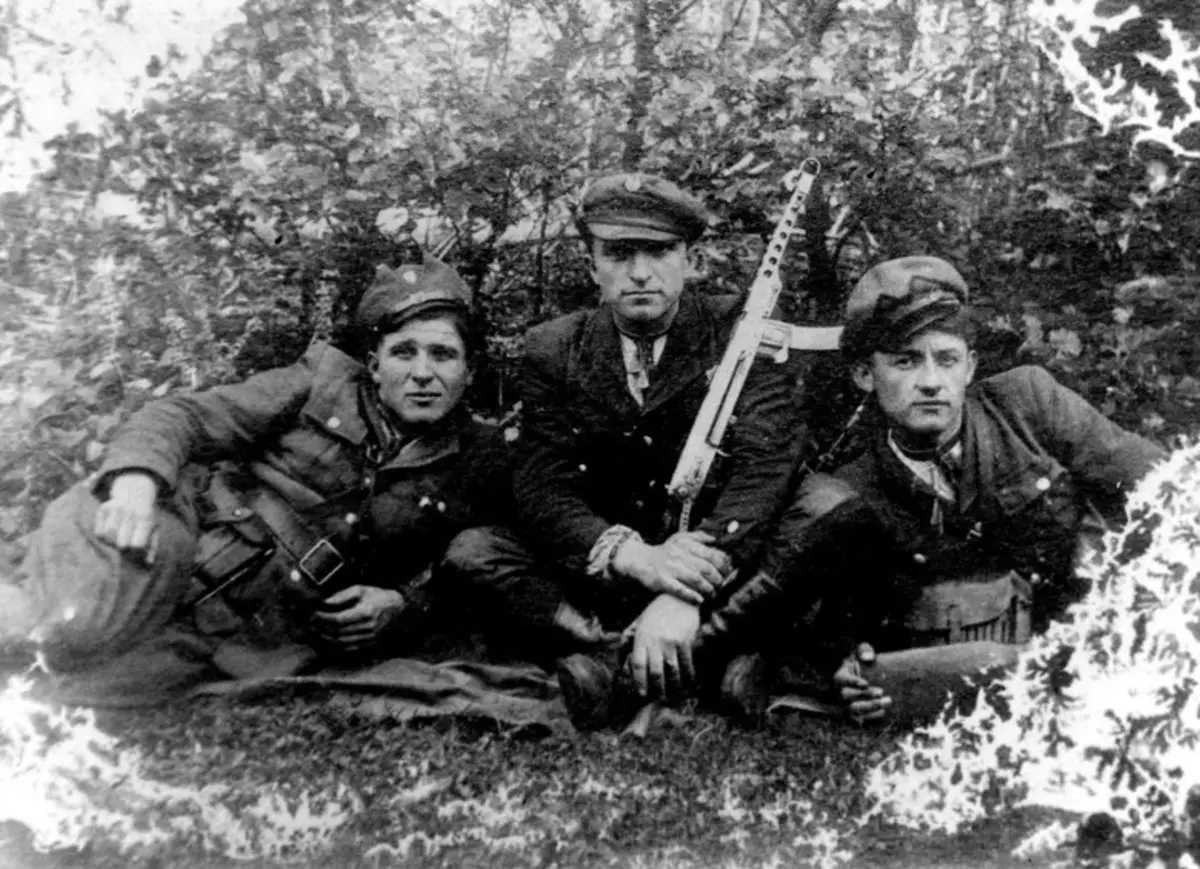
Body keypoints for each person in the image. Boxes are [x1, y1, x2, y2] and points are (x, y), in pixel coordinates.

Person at [661, 254, 1167, 726]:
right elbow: (821, 612)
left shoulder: (1029, 406)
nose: (931, 381)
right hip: (981, 664)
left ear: (969, 367)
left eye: (946, 360)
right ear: (865, 374)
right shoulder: (845, 491)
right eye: (905, 362)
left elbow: (1166, 486)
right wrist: (848, 665)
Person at [2, 257, 510, 705]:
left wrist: (401, 603)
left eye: (443, 355)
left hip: (245, 627)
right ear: (375, 365)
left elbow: (482, 560)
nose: (423, 373)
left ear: (469, 370)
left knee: (69, 691)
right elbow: (182, 417)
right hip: (165, 535)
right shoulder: (317, 384)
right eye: (405, 353)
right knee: (69, 626)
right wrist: (135, 486)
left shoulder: (481, 457)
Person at [442, 172, 805, 727]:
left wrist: (681, 588)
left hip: (715, 570)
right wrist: (640, 560)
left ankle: (659, 660)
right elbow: (544, 485)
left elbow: (766, 467)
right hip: (612, 573)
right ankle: (632, 652)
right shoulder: (553, 348)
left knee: (823, 512)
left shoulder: (744, 330)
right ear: (592, 266)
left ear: (691, 259)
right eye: (618, 254)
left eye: (659, 252)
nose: (640, 273)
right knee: (475, 551)